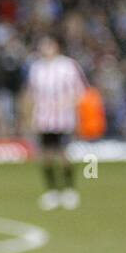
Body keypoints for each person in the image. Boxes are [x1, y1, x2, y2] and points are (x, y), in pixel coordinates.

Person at [24, 36, 87, 210]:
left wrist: (66, 104)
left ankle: (69, 190)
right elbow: (30, 93)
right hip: (43, 119)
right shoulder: (36, 68)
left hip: (64, 119)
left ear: (56, 46)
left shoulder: (68, 66)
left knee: (64, 155)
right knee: (46, 156)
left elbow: (81, 91)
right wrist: (29, 117)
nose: (45, 48)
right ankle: (52, 192)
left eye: (49, 45)